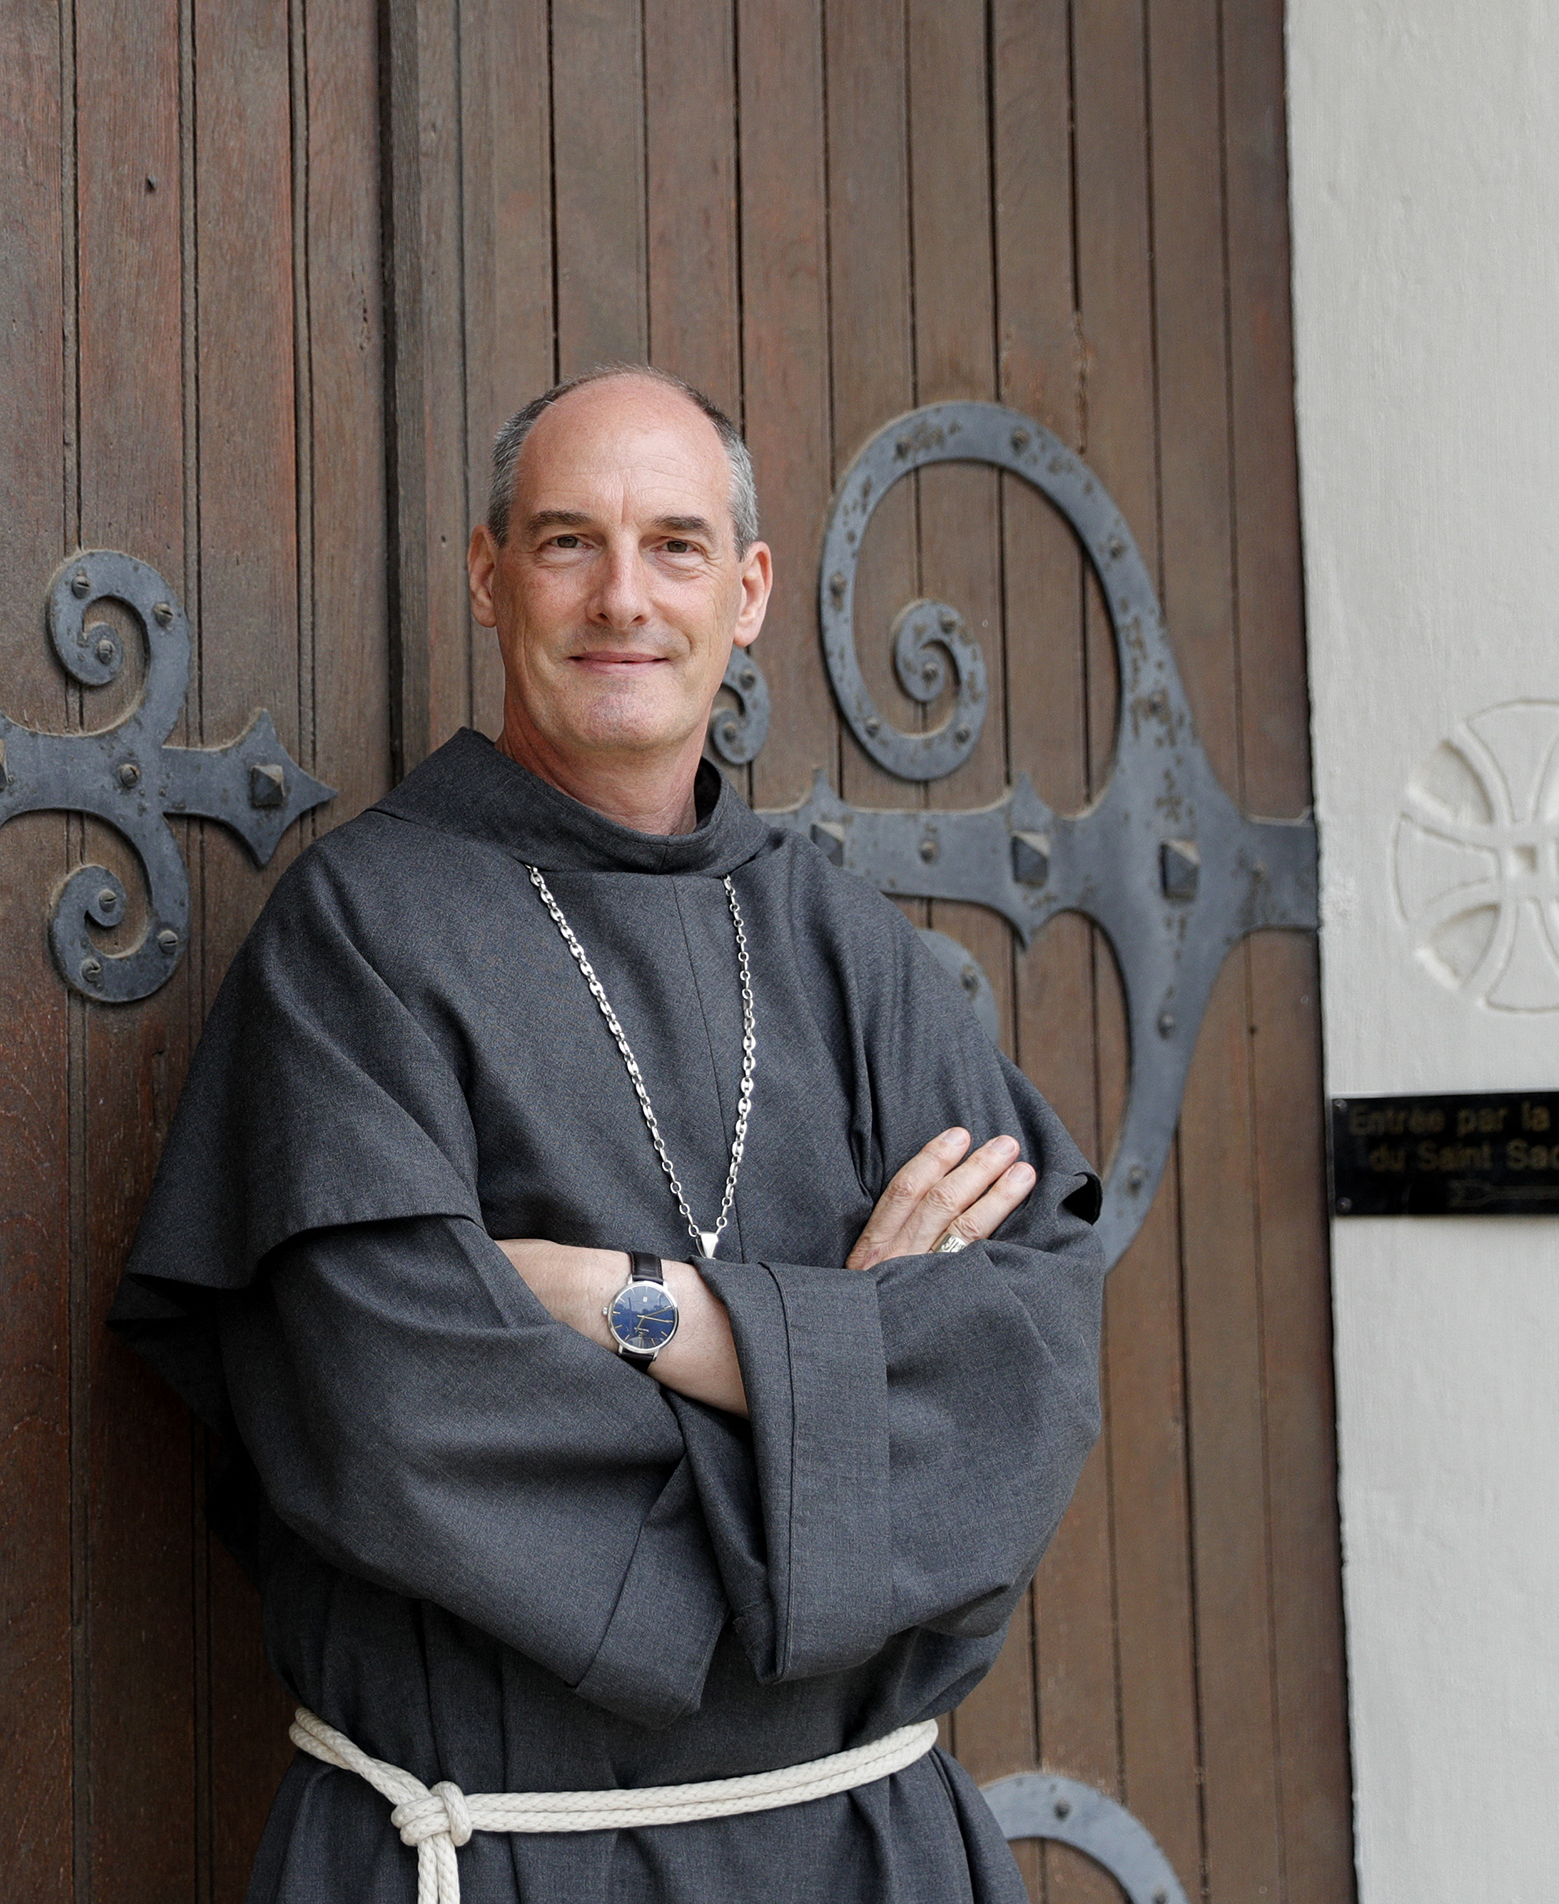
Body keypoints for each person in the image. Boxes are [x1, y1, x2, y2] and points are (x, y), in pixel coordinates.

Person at [110, 367, 1106, 1902]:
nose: (622, 598)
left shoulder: (851, 949)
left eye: (678, 546)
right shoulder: (359, 937)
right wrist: (847, 1413)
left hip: (864, 1849)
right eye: (569, 542)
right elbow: (393, 1415)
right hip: (513, 1856)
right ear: (487, 573)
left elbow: (1022, 1381)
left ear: (754, 590)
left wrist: (644, 1313)